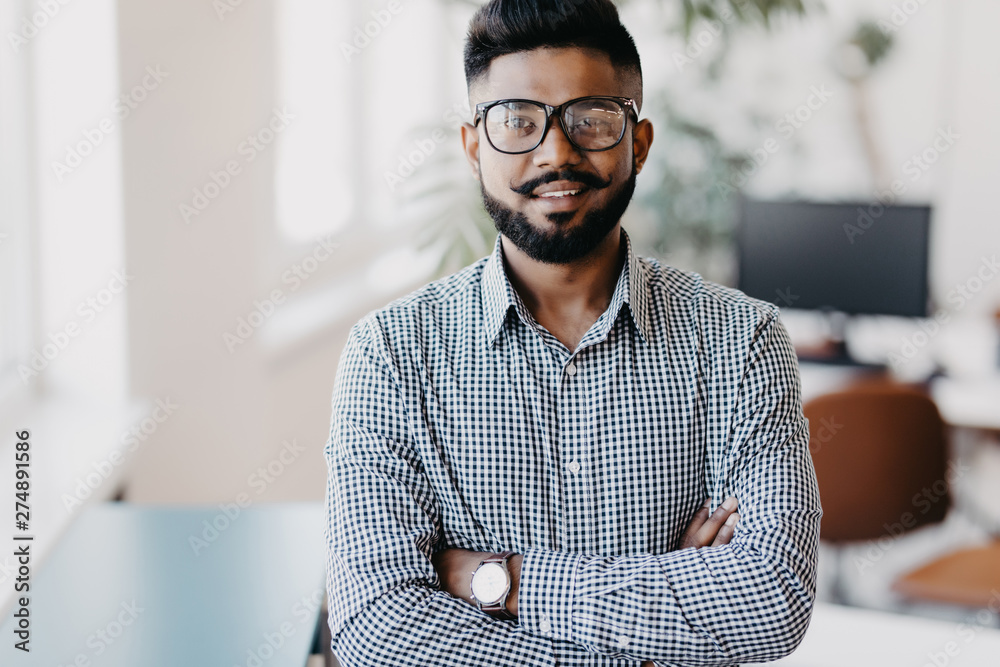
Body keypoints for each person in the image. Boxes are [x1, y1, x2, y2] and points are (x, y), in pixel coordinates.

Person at [323, 0, 822, 665]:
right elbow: (377, 629)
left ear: (638, 143)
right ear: (474, 148)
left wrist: (497, 579)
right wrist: (645, 645)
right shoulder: (389, 353)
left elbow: (772, 599)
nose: (555, 152)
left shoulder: (742, 339)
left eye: (590, 119)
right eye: (517, 122)